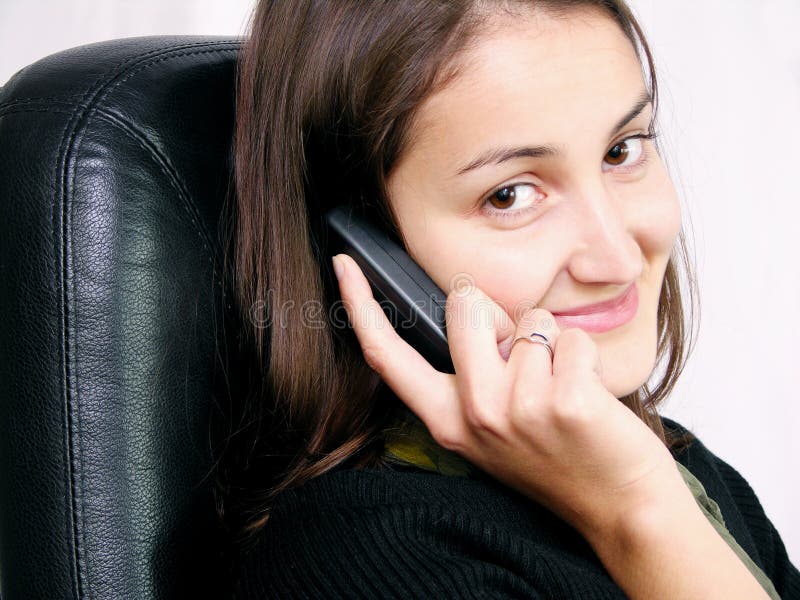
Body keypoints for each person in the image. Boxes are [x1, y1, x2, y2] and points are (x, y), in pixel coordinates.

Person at [215, 0, 800, 598]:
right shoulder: (357, 561)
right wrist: (633, 511)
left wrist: (644, 495)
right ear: (369, 251)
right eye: (510, 195)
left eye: (622, 150)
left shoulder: (677, 470)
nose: (619, 259)